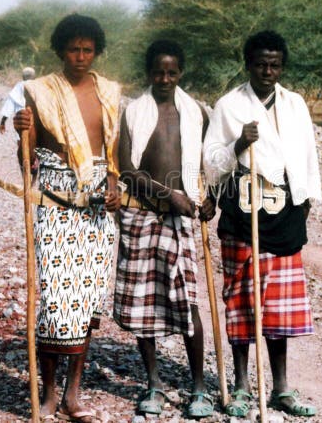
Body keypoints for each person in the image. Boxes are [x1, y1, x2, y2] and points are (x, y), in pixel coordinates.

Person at [202, 30, 322, 418]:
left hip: (285, 211)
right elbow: (211, 164)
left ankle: (281, 389)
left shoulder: (295, 104)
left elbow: (307, 156)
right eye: (260, 64)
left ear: (282, 66)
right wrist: (238, 143)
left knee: (278, 308)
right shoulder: (229, 105)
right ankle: (240, 386)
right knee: (241, 301)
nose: (268, 71)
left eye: (275, 65)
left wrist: (304, 205)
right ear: (247, 64)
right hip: (241, 211)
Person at [14, 14, 122, 423]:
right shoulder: (38, 92)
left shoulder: (109, 92)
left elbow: (114, 156)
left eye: (87, 49)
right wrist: (22, 132)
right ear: (61, 50)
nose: (80, 56)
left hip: (97, 211)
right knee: (57, 303)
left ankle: (74, 394)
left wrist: (113, 186)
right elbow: (28, 164)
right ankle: (49, 392)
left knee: (86, 304)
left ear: (96, 52)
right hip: (56, 203)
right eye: (73, 49)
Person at [113, 40, 216, 418]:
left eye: (172, 72)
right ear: (148, 73)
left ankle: (200, 388)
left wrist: (210, 200)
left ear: (181, 73)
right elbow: (125, 168)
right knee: (144, 302)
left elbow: (208, 164)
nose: (164, 79)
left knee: (187, 302)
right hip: (142, 214)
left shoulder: (196, 113)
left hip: (182, 218)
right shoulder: (134, 112)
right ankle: (154, 385)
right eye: (158, 72)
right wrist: (166, 193)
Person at [0, 66, 36, 135]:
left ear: (23, 77)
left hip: (21, 121)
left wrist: (2, 122)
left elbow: (8, 108)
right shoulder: (38, 86)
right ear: (34, 77)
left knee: (21, 141)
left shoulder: (18, 87)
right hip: (35, 123)